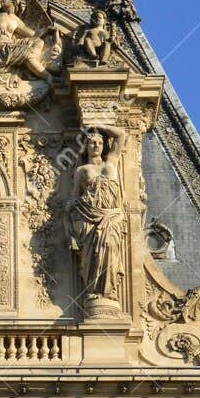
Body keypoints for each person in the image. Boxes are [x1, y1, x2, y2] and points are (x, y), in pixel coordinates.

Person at [66, 127, 126, 305]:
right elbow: (74, 197)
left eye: (100, 143)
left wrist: (98, 125)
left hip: (112, 217)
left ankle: (108, 292)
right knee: (92, 256)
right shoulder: (82, 170)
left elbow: (121, 135)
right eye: (92, 142)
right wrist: (70, 213)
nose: (96, 146)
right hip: (90, 217)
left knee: (109, 249)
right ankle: (94, 290)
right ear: (86, 146)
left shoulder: (111, 162)